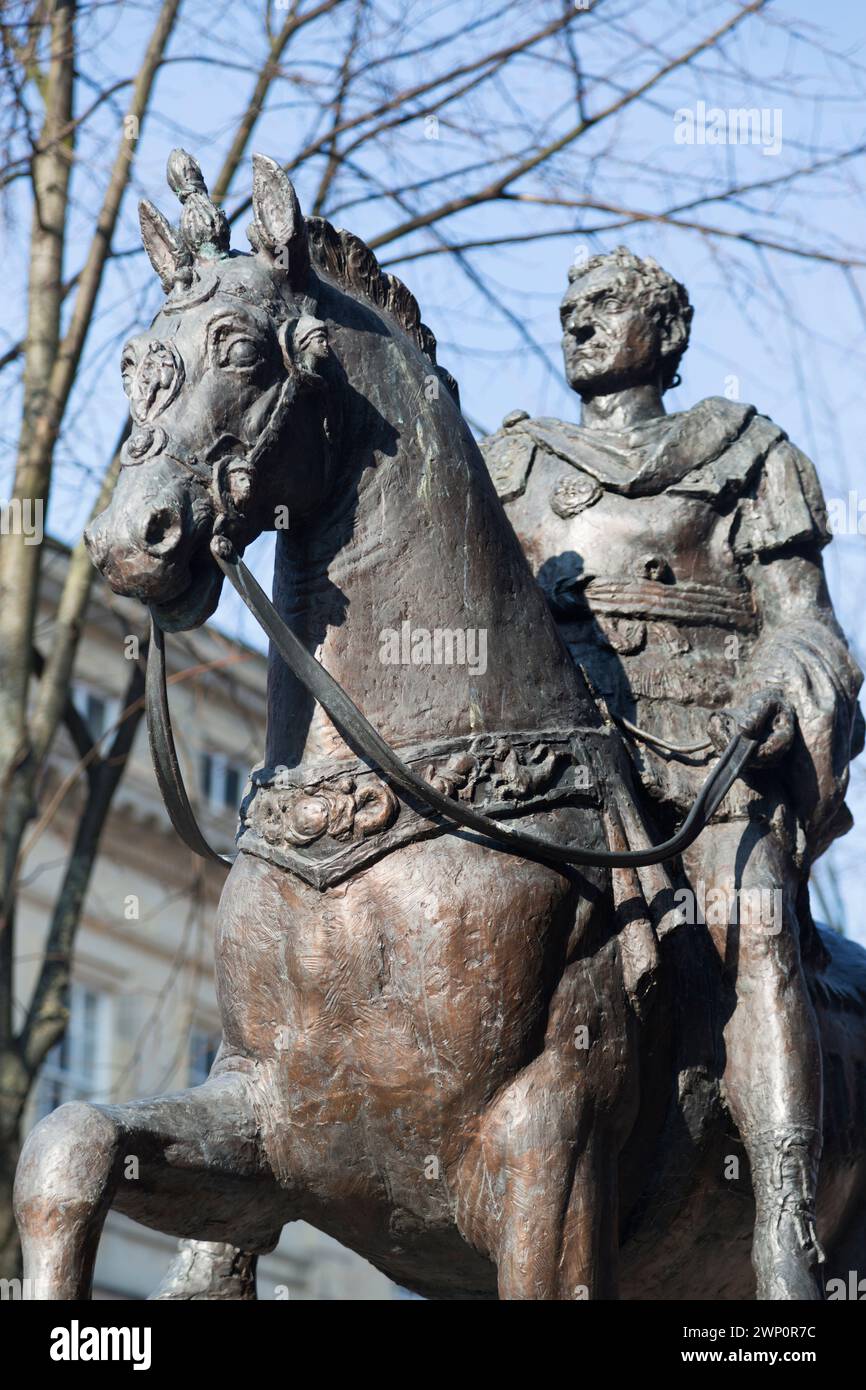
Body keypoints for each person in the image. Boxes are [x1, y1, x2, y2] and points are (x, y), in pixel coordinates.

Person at [481, 245, 864, 1299]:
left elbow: (806, 626)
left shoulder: (745, 452)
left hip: (707, 752)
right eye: (566, 308)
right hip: (560, 760)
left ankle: (782, 1223)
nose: (577, 322)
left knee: (755, 926)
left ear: (667, 331)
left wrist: (770, 694)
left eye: (602, 305)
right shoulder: (510, 461)